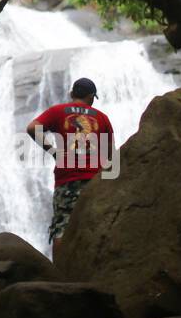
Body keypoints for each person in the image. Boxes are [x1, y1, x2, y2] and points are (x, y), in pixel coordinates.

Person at [25, 77, 114, 245]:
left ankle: (58, 271)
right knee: (96, 226)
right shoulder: (102, 118)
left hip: (67, 179)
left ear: (72, 93)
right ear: (92, 96)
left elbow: (31, 128)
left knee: (61, 228)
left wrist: (53, 152)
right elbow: (111, 156)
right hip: (95, 181)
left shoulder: (58, 111)